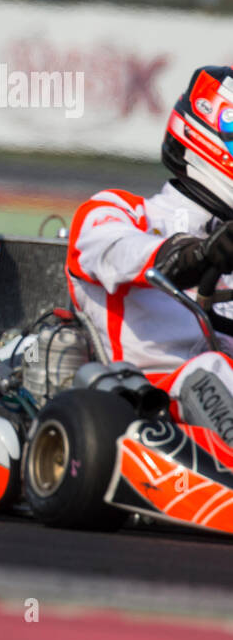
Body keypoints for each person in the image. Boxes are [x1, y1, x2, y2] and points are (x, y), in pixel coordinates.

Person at [67, 64, 233, 432]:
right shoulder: (122, 211)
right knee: (209, 371)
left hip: (214, 414)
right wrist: (199, 255)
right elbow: (121, 253)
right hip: (143, 409)